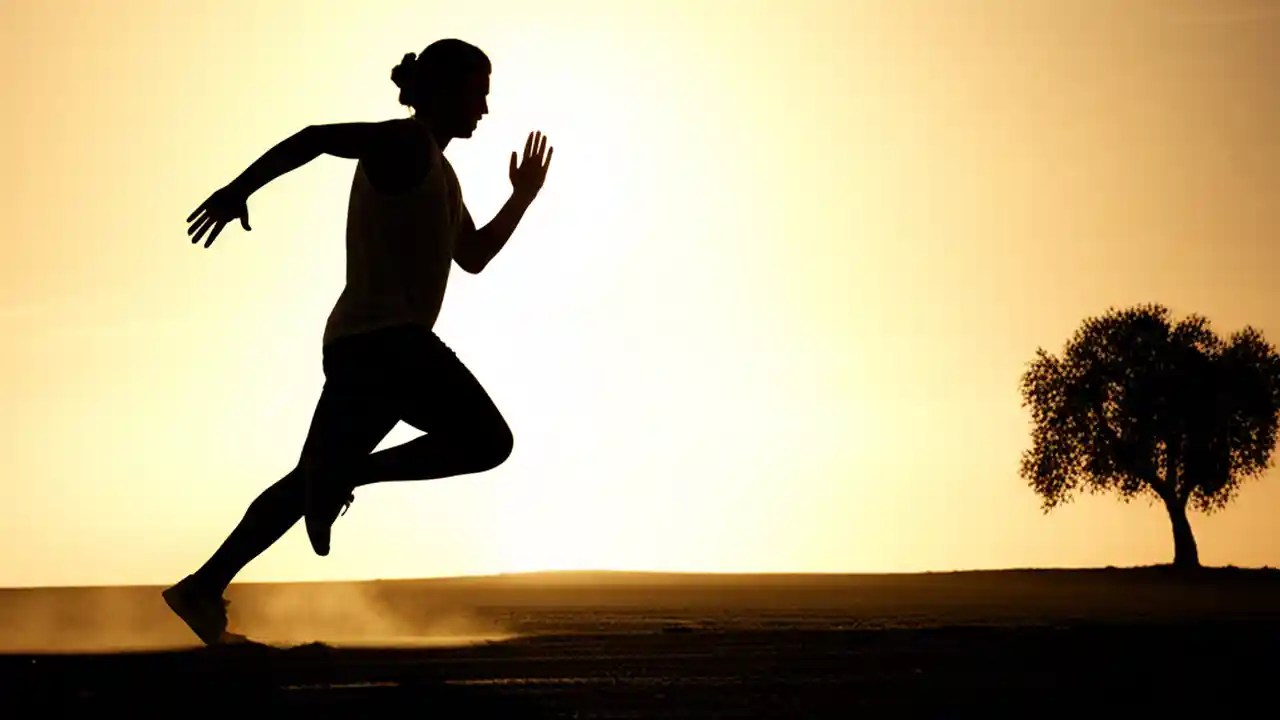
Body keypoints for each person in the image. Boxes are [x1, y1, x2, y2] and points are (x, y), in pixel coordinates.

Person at [163, 39, 553, 645]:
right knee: (486, 441)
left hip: (358, 346)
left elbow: (472, 257)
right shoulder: (404, 144)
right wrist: (241, 187)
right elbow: (316, 136)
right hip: (390, 344)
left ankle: (202, 586)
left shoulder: (439, 171)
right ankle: (344, 476)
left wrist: (521, 198)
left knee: (307, 479)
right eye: (476, 93)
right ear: (444, 92)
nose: (483, 108)